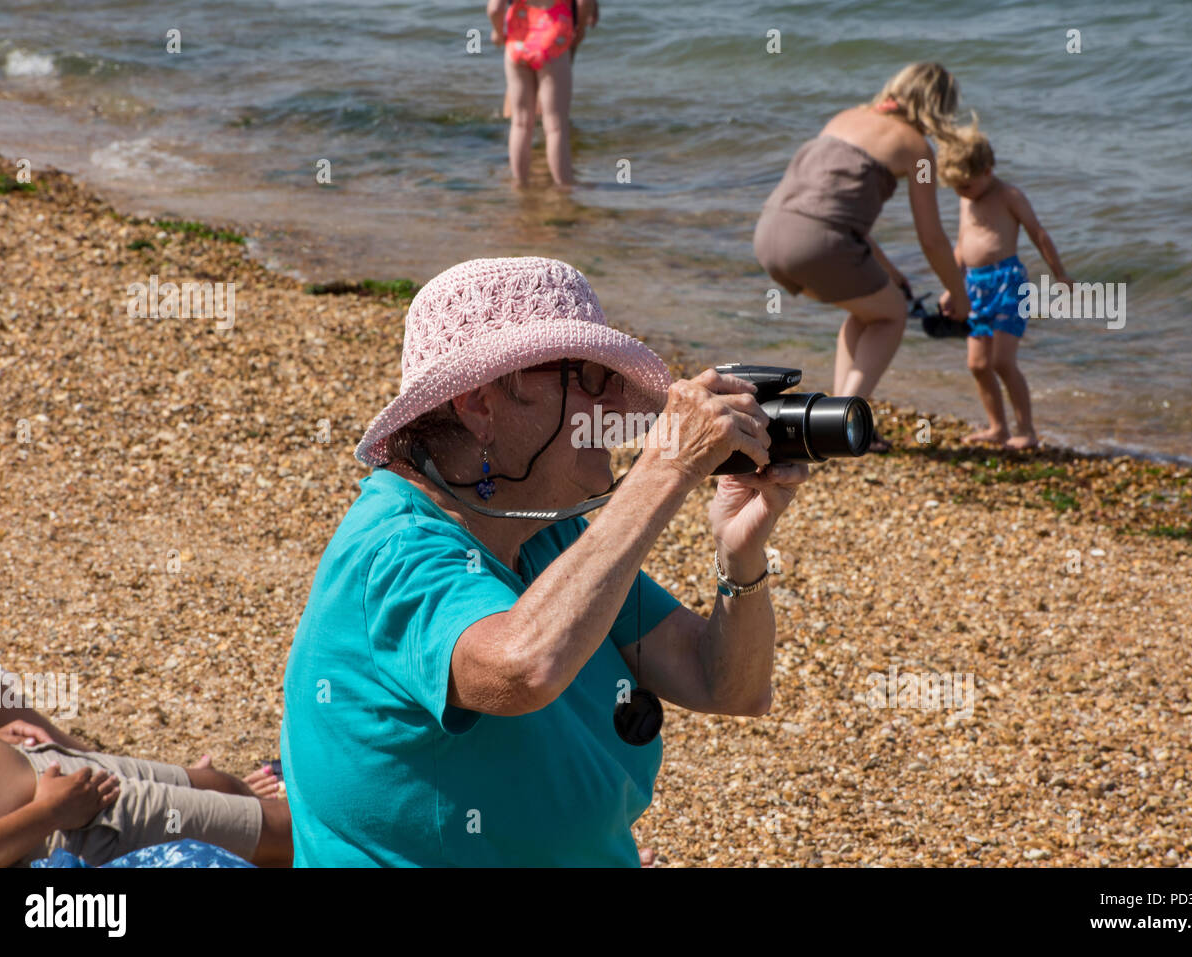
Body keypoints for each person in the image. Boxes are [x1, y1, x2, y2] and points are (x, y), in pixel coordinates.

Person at [281, 256, 810, 867]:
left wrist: (740, 557)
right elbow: (519, 670)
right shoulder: (392, 551)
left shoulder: (541, 537)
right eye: (588, 377)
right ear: (479, 404)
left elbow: (727, 685)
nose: (621, 408)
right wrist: (665, 468)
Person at [754, 62, 972, 451]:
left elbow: (834, 212)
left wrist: (891, 274)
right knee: (892, 316)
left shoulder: (844, 118)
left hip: (771, 232)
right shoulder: (919, 151)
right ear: (938, 107)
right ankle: (840, 423)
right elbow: (933, 239)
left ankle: (839, 417)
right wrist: (959, 295)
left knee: (868, 312)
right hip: (819, 243)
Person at [0, 727, 291, 867]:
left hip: (44, 771)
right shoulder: (54, 813)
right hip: (59, 825)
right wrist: (50, 811)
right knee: (288, 833)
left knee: (223, 786)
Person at [937, 127, 1072, 448]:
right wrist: (950, 288)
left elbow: (1037, 233)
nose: (962, 193)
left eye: (966, 186)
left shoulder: (1009, 196)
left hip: (1008, 283)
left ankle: (1026, 431)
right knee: (977, 364)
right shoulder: (965, 200)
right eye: (955, 188)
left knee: (1002, 361)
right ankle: (998, 428)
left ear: (987, 170)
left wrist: (1060, 275)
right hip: (973, 285)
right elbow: (960, 246)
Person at [489, 0, 598, 185]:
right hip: (553, 36)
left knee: (520, 124)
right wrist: (579, 32)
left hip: (518, 37)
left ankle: (519, 182)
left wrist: (498, 32)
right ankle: (564, 185)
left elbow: (494, 8)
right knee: (555, 127)